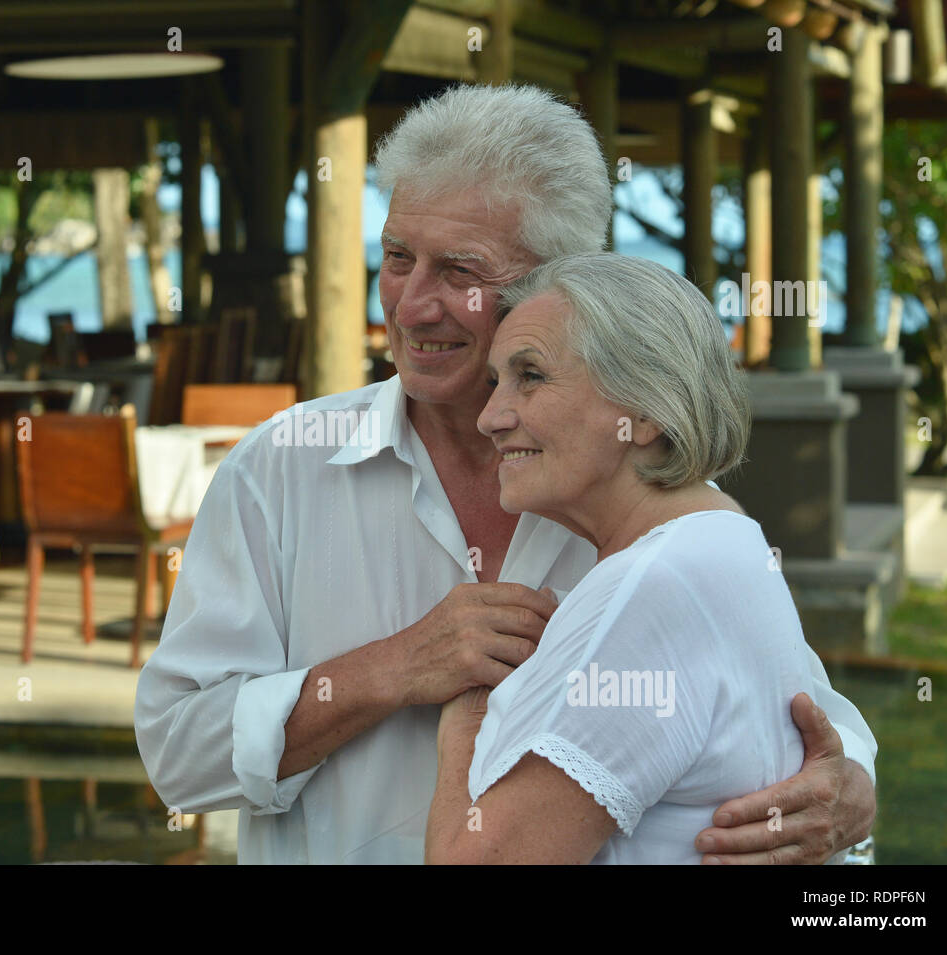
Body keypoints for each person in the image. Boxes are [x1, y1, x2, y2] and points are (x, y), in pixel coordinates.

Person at [134, 83, 877, 864]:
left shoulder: (655, 496)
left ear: (557, 283)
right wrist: (389, 669)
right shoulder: (277, 469)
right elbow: (177, 757)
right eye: (396, 259)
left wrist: (852, 787)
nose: (413, 306)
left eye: (460, 271)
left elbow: (798, 707)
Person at [427, 252, 839, 863]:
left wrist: (465, 719)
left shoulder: (654, 585)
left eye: (531, 376)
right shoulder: (722, 537)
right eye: (496, 383)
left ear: (644, 411)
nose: (491, 417)